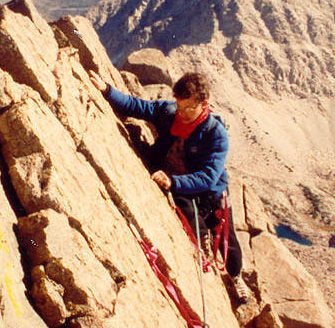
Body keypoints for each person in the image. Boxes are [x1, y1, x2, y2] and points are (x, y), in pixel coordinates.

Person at [88, 68, 243, 277]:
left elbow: (208, 177)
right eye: (179, 106)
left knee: (230, 248)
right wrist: (107, 90)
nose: (182, 113)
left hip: (209, 193)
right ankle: (202, 244)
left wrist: (173, 181)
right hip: (179, 185)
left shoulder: (216, 134)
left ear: (204, 104)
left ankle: (236, 276)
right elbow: (138, 106)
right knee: (185, 208)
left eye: (189, 108)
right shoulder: (170, 113)